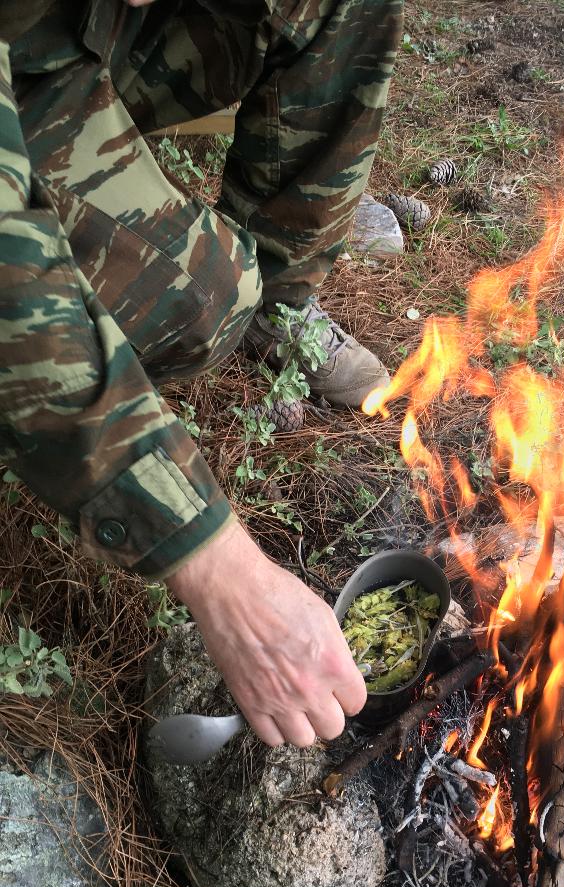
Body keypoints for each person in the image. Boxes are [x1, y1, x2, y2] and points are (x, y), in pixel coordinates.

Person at [0, 0, 405, 747]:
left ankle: (280, 311)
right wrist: (217, 568)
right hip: (19, 66)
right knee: (204, 302)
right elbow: (11, 288)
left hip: (73, 26)